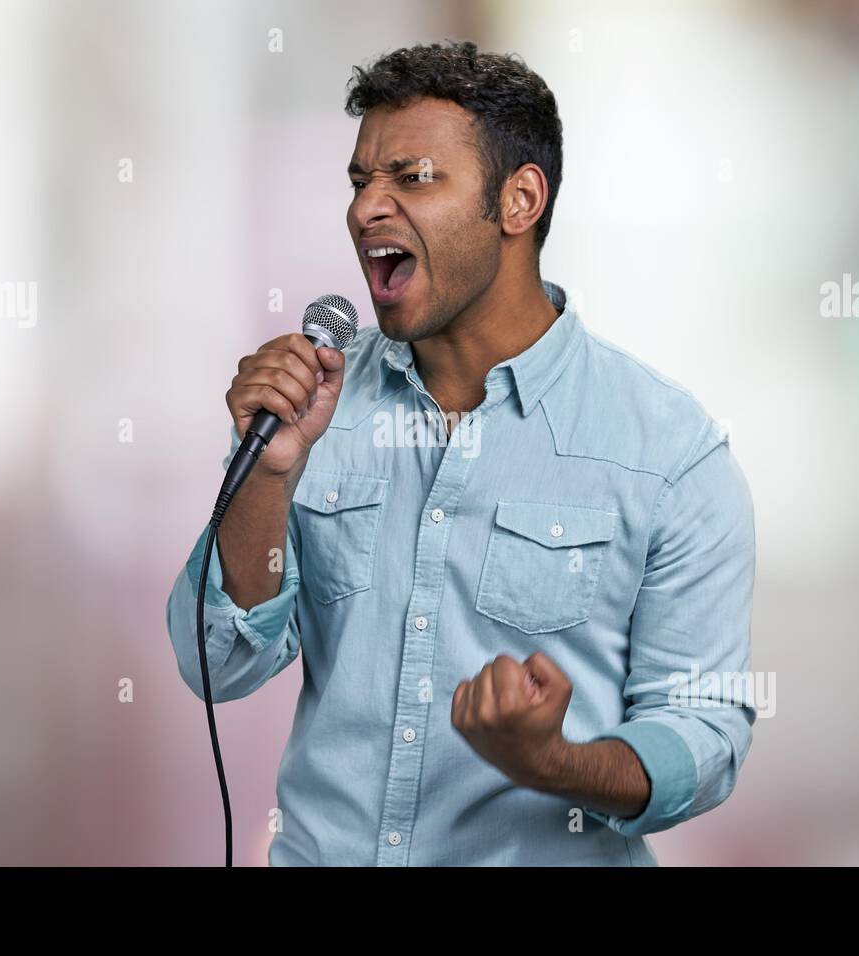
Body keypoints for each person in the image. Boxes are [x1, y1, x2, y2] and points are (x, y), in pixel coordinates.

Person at [167, 40, 757, 866]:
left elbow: (705, 732)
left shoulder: (668, 452)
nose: (367, 208)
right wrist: (269, 475)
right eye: (360, 180)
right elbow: (219, 663)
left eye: (411, 177)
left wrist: (552, 762)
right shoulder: (315, 409)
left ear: (519, 201)